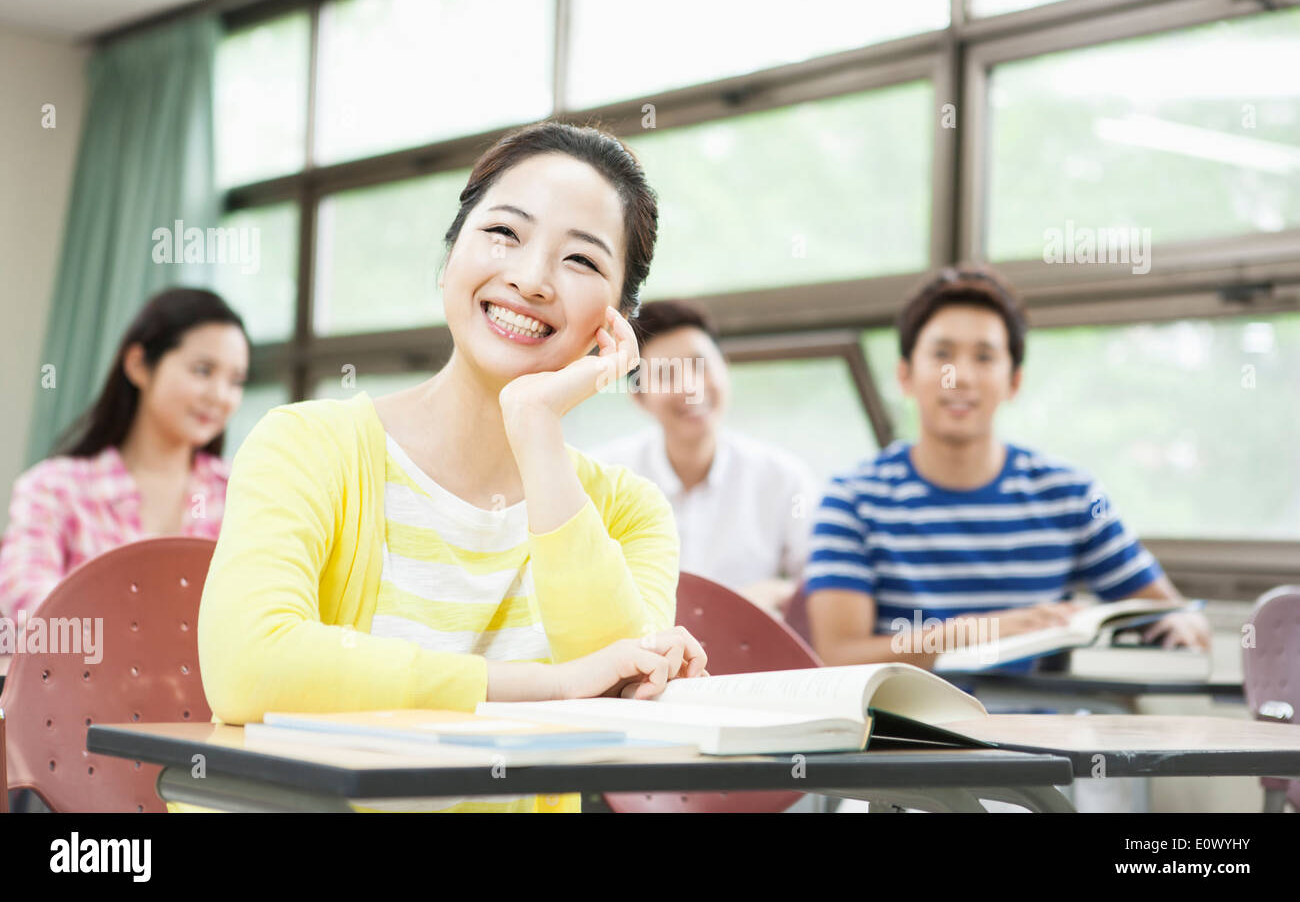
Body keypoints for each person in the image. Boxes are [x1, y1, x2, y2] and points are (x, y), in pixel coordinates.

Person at [197, 122, 707, 814]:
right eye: (503, 232)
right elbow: (251, 668)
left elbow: (619, 697)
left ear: (617, 323)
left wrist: (535, 429)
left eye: (580, 261)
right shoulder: (307, 444)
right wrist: (545, 686)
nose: (529, 279)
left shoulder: (627, 512)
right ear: (450, 258)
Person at [804, 265, 1212, 669]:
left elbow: (1173, 611)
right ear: (905, 376)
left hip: (1041, 732)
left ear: (1014, 381)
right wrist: (979, 632)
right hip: (907, 733)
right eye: (942, 355)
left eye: (984, 357)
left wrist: (1182, 622)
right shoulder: (853, 498)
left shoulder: (1070, 495)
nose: (960, 377)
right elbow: (839, 656)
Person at [0, 287, 250, 622]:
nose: (221, 396)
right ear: (138, 366)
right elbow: (24, 601)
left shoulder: (242, 493)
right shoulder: (54, 487)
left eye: (236, 381)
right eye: (203, 370)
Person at [592, 300, 821, 615]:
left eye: (700, 366)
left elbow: (823, 583)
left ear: (725, 368)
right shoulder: (603, 478)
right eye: (667, 374)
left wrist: (773, 594)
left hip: (751, 655)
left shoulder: (781, 477)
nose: (691, 387)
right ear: (638, 397)